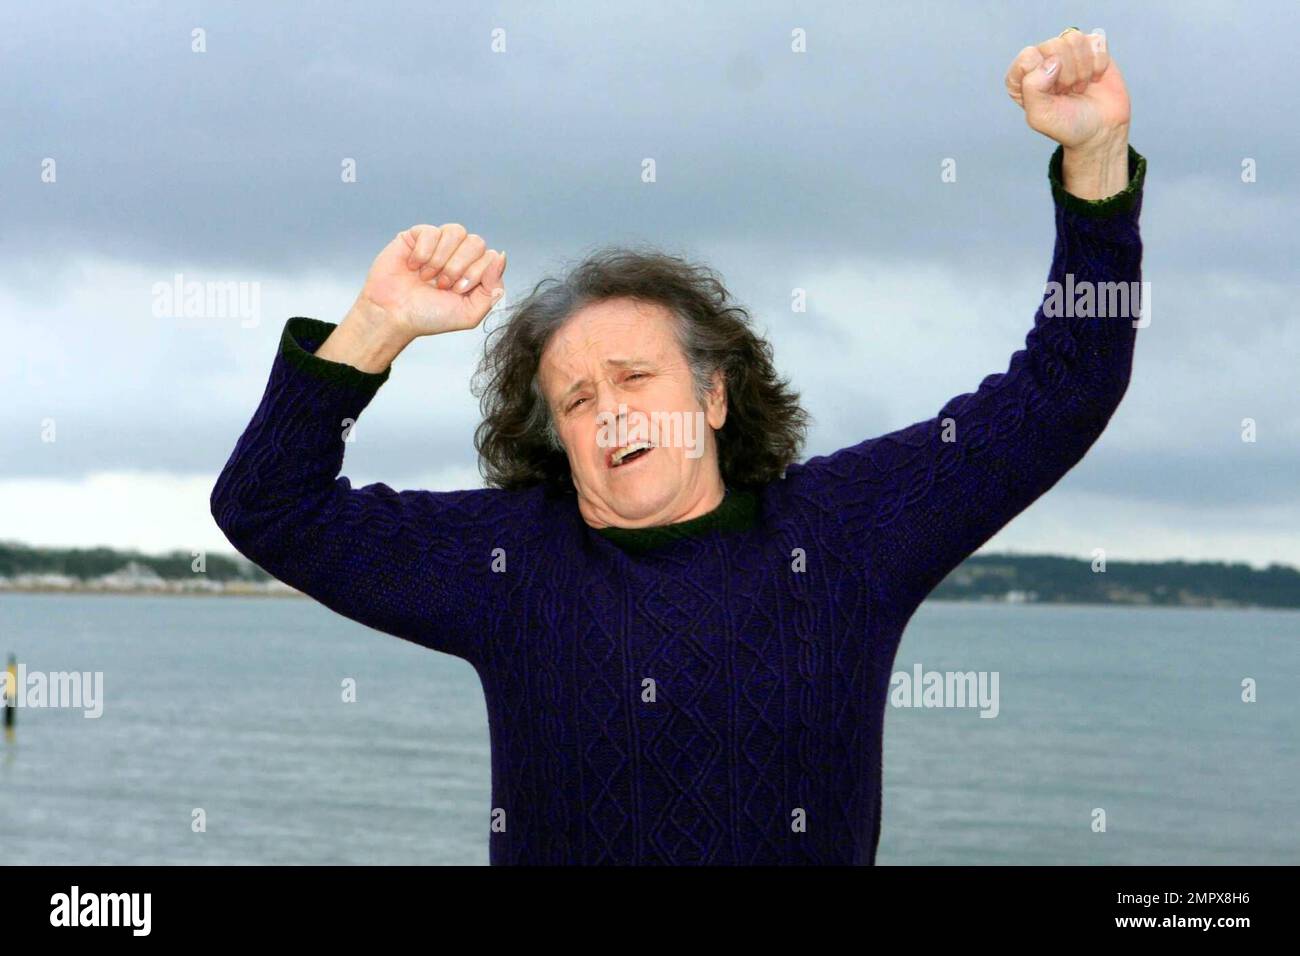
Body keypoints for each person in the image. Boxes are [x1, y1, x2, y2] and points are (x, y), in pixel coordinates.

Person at [211, 29, 1146, 864]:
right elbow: (268, 505)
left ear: (712, 393)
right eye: (576, 399)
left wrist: (1096, 160)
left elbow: (1065, 390)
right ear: (555, 437)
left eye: (633, 377)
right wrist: (377, 324)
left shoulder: (846, 536)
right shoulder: (510, 565)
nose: (609, 412)